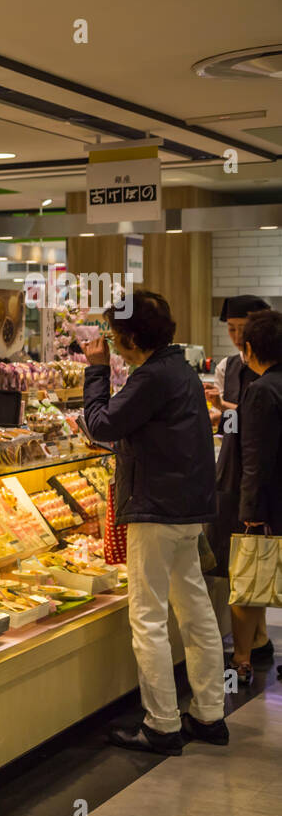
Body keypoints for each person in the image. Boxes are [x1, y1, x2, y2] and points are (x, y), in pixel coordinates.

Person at [82, 289, 226, 755]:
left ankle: (161, 725)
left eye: (113, 334)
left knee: (147, 616)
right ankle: (209, 715)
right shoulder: (179, 368)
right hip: (187, 509)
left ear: (128, 338)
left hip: (156, 511)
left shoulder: (151, 378)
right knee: (196, 609)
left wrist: (96, 370)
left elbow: (101, 424)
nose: (111, 341)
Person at [205, 296, 275, 677]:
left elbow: (258, 437)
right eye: (230, 328)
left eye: (242, 329)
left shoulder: (268, 380)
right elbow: (232, 432)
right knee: (244, 565)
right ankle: (257, 641)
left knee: (251, 564)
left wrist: (231, 411)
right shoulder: (228, 367)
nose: (235, 337)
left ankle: (244, 656)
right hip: (233, 473)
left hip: (257, 480)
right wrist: (222, 415)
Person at [235, 310, 282, 680]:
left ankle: (241, 662)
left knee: (249, 583)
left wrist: (250, 510)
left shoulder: (261, 390)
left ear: (249, 349)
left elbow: (255, 456)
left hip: (272, 503)